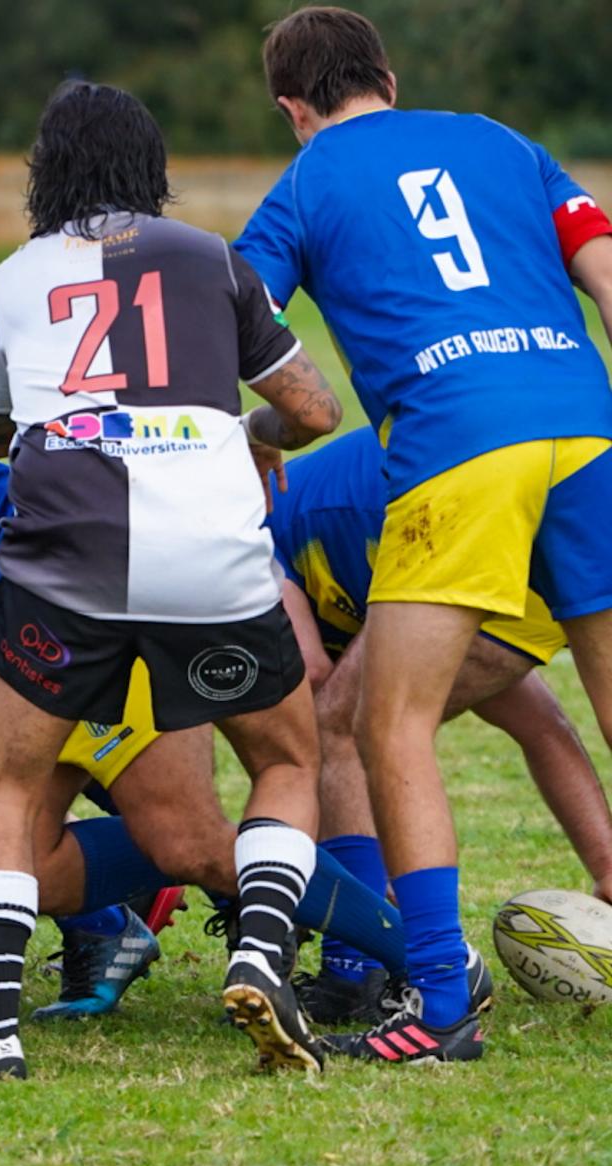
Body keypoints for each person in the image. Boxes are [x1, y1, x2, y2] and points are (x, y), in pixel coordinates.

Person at [235, 5, 612, 1064]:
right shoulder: (505, 142)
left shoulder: (306, 182)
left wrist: (268, 425)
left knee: (377, 725)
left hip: (458, 445)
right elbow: (605, 271)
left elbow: (235, 313)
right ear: (388, 78)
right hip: (589, 430)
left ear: (292, 108)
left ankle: (441, 1001)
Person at [0, 81, 342, 1079]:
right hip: (208, 558)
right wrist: (247, 435)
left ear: (49, 172)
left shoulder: (13, 276)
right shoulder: (212, 258)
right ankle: (261, 948)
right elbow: (313, 407)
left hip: (66, 566)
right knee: (287, 763)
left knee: (4, 782)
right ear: (150, 168)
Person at [266, 426, 612, 1022]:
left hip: (468, 509)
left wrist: (373, 871)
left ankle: (354, 968)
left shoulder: (249, 541)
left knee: (336, 728)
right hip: (549, 489)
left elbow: (315, 675)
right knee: (537, 719)